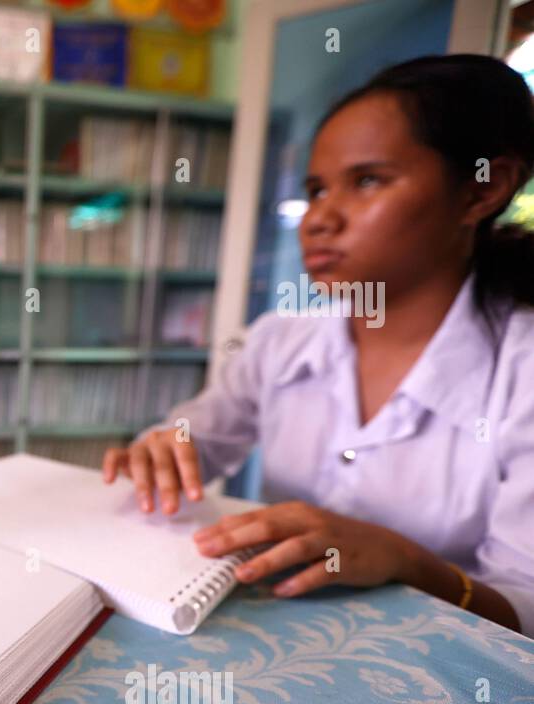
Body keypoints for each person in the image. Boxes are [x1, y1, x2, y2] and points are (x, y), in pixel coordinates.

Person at [103, 54, 534, 636]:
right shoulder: (279, 340)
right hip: (279, 645)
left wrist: (408, 563)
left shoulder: (521, 370)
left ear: (483, 190)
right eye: (315, 189)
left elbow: (526, 612)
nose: (318, 220)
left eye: (367, 181)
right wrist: (164, 449)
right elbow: (197, 438)